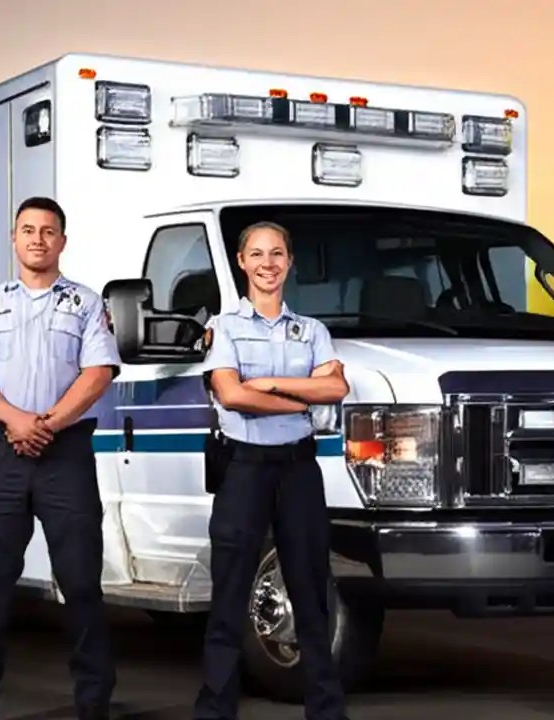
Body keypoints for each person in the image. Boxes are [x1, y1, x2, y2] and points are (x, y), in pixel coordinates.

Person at [0, 196, 122, 720]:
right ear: (14, 239)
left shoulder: (87, 304)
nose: (38, 239)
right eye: (28, 230)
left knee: (82, 585)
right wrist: (17, 421)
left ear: (62, 242)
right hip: (4, 456)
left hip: (65, 457)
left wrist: (47, 425)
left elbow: (98, 374)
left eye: (49, 231)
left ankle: (93, 705)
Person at [193, 221, 351, 720]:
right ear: (241, 262)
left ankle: (326, 709)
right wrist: (301, 401)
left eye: (277, 253)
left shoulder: (312, 331)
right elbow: (232, 394)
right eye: (257, 254)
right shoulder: (225, 327)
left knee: (312, 596)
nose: (268, 263)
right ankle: (215, 710)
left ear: (289, 262)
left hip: (298, 471)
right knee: (229, 596)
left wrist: (272, 384)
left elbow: (336, 391)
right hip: (243, 468)